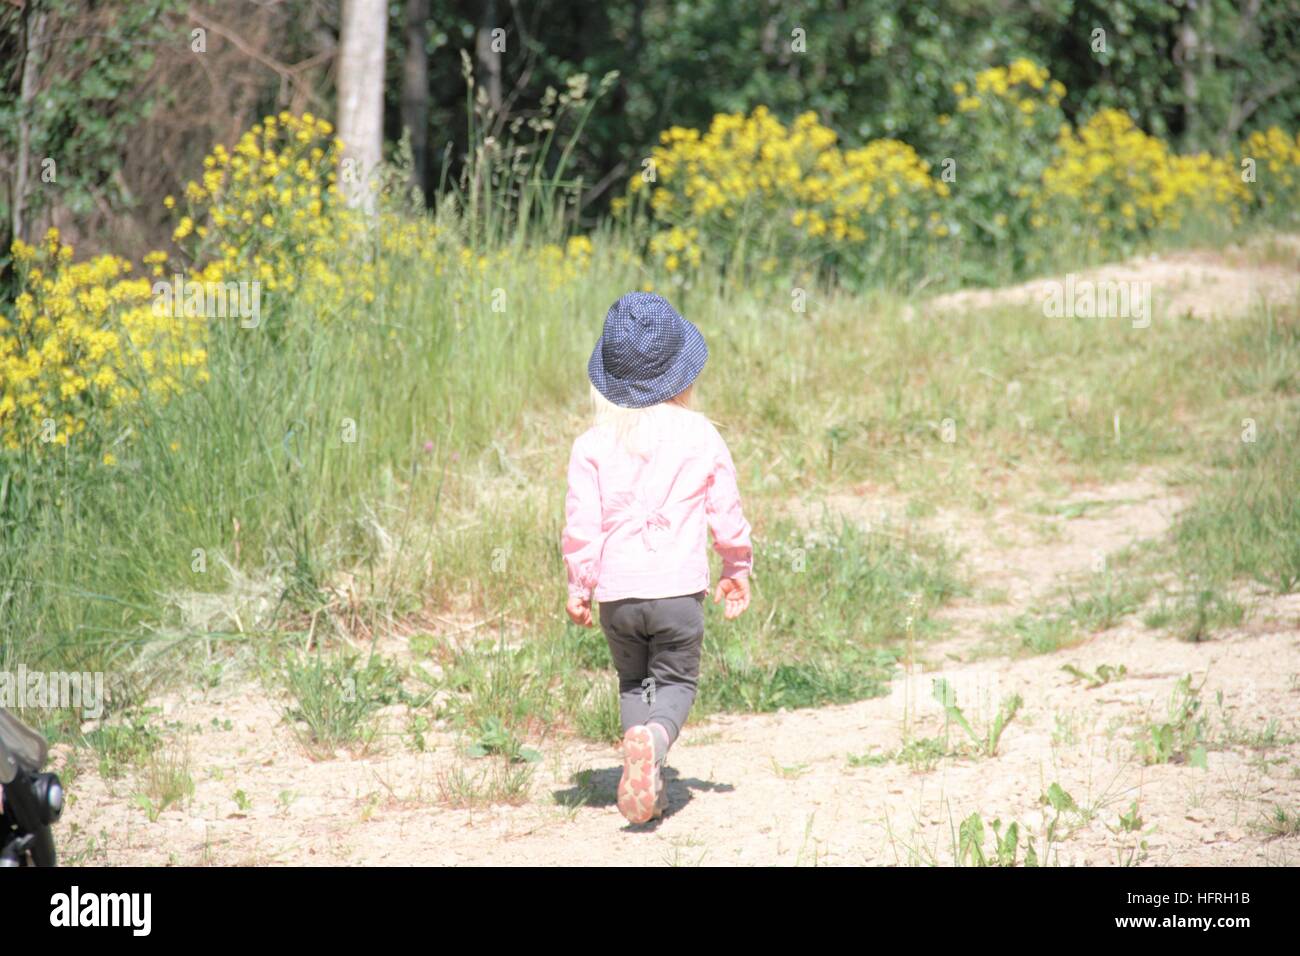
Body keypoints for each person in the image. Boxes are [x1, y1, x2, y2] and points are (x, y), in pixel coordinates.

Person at [562, 291, 752, 824]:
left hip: (618, 600)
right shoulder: (701, 436)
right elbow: (727, 513)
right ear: (684, 375)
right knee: (674, 682)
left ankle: (638, 743)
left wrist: (580, 586)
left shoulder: (591, 444)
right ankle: (656, 741)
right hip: (677, 595)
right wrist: (736, 568)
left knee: (635, 682)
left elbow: (581, 527)